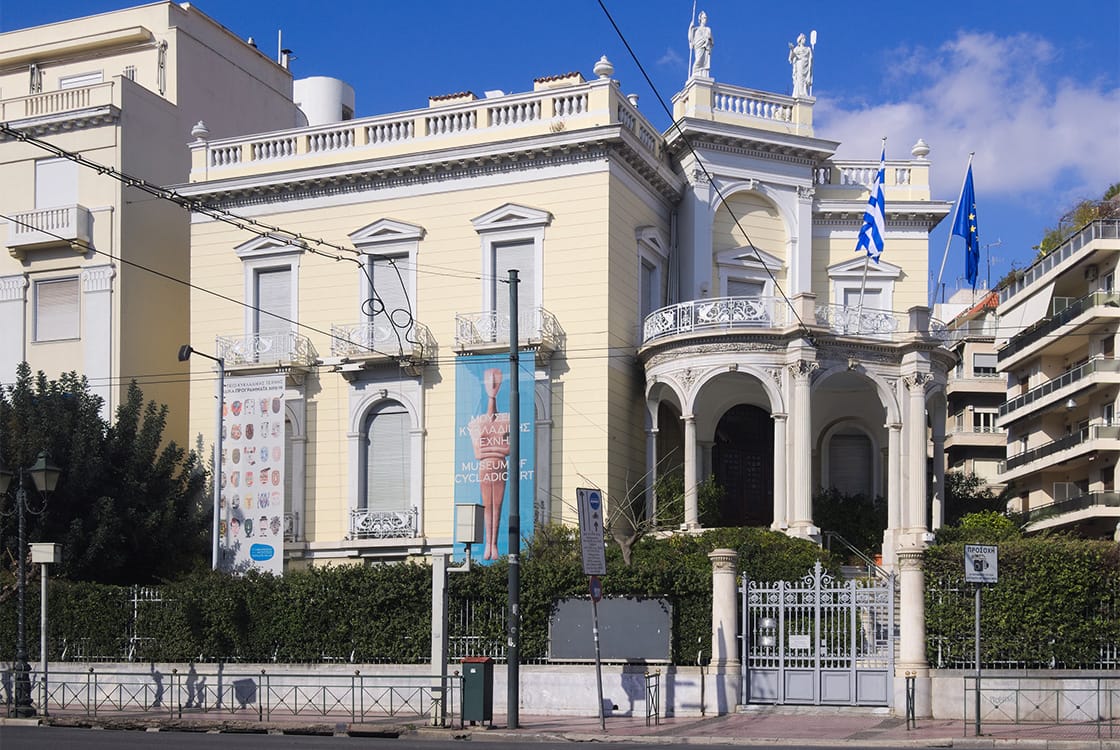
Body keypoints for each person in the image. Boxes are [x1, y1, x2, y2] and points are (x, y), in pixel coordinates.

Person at [467, 368, 511, 560]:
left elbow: (509, 449)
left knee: (498, 504)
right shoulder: (477, 422)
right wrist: (497, 448)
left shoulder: (506, 420)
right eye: (489, 381)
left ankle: (494, 544)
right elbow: (478, 453)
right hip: (485, 468)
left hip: (499, 467)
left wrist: (490, 449)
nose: (492, 384)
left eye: (496, 381)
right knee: (487, 505)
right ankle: (488, 544)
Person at [689, 11, 713, 78]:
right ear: (700, 19)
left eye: (706, 18)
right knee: (698, 60)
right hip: (699, 46)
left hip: (705, 46)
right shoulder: (696, 29)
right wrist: (691, 28)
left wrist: (708, 39)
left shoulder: (708, 29)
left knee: (704, 61)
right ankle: (694, 72)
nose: (705, 19)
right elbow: (691, 38)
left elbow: (711, 39)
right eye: (704, 18)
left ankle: (702, 72)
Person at [789, 33, 813, 98]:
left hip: (806, 66)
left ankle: (804, 92)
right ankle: (800, 92)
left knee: (805, 80)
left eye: (805, 38)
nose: (804, 40)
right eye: (803, 39)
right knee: (800, 79)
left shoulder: (808, 49)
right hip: (799, 64)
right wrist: (791, 50)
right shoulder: (797, 49)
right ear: (800, 40)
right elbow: (791, 57)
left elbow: (810, 59)